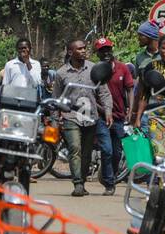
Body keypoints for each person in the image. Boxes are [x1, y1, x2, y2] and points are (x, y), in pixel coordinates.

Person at [53, 39, 114, 197]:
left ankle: (83, 180)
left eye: (84, 48)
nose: (83, 51)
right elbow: (56, 98)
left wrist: (107, 111)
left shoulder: (94, 69)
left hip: (91, 117)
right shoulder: (61, 73)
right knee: (75, 149)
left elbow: (104, 92)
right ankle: (78, 184)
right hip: (71, 116)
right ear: (70, 52)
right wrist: (54, 120)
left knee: (87, 153)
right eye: (79, 49)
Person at [94, 38, 135, 191]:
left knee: (117, 152)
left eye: (108, 49)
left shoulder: (122, 68)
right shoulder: (95, 71)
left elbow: (130, 89)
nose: (106, 53)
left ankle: (110, 174)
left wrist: (130, 109)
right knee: (106, 150)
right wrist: (103, 110)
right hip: (101, 116)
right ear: (97, 53)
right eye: (102, 50)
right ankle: (109, 184)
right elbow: (92, 94)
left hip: (119, 116)